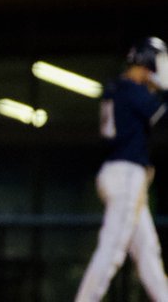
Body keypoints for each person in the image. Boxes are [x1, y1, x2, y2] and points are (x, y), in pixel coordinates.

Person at [75, 36, 168, 301]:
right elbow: (160, 113)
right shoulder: (131, 89)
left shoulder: (117, 88)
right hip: (126, 173)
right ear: (147, 61)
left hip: (117, 172)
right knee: (112, 249)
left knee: (147, 250)